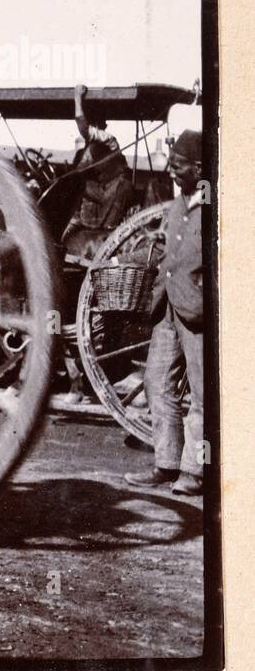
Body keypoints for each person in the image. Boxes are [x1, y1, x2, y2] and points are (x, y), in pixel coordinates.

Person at [125, 130, 206, 497]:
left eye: (179, 165)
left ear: (200, 167)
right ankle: (167, 463)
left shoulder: (216, 205)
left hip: (200, 311)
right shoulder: (180, 202)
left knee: (204, 395)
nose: (172, 170)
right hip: (169, 309)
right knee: (157, 382)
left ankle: (194, 471)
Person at [63, 84, 135, 258]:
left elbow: (83, 125)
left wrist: (77, 98)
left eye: (93, 123)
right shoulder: (85, 150)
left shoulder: (108, 139)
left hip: (115, 193)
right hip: (99, 195)